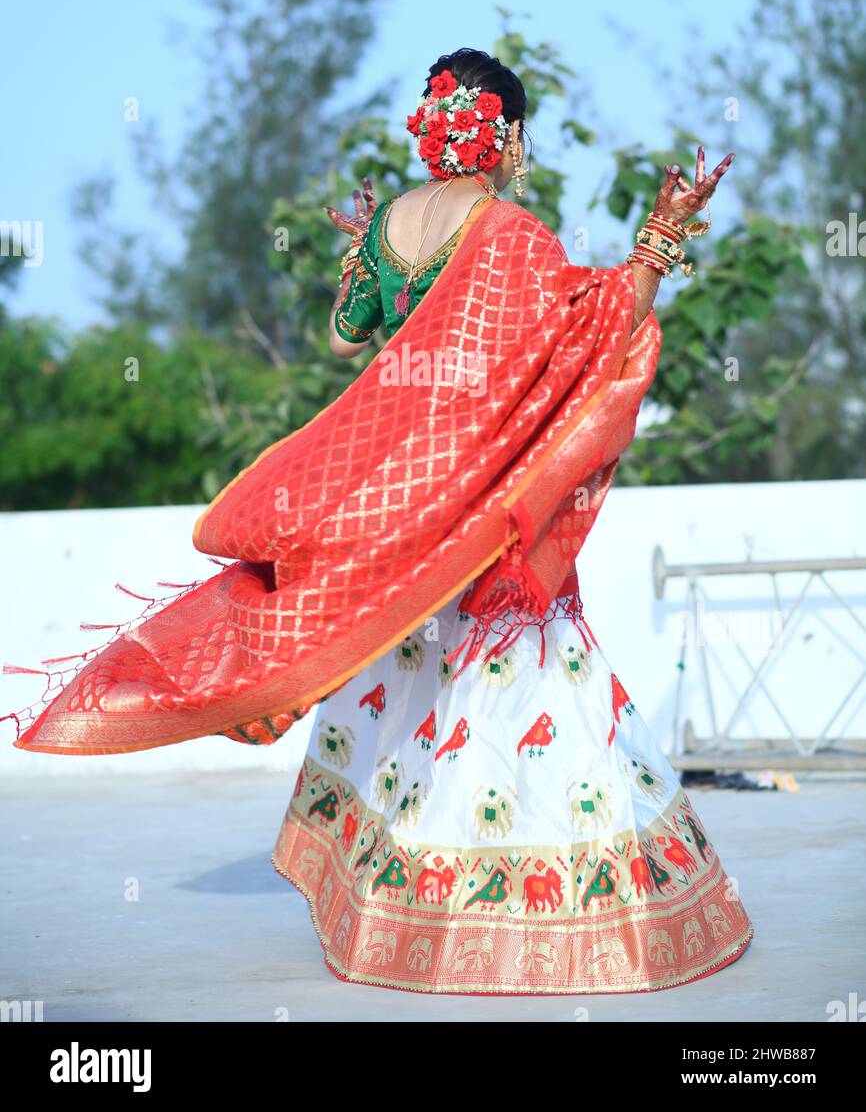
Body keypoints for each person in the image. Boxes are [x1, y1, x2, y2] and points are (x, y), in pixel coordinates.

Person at [8, 48, 751, 995]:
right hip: (480, 517)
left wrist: (365, 249)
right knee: (519, 708)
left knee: (409, 703)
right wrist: (662, 235)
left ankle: (388, 914)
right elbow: (599, 332)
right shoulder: (511, 235)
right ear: (509, 135)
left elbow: (346, 336)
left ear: (436, 124)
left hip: (396, 516)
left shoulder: (397, 219)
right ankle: (536, 921)